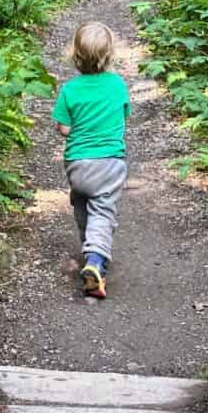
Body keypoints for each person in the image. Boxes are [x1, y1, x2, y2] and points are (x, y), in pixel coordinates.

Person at [51, 21, 130, 300]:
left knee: (82, 203)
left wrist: (77, 128)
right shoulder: (117, 85)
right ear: (110, 55)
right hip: (108, 162)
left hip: (76, 164)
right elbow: (123, 115)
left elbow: (62, 128)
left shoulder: (70, 90)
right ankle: (96, 260)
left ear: (75, 55)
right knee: (103, 210)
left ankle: (90, 247)